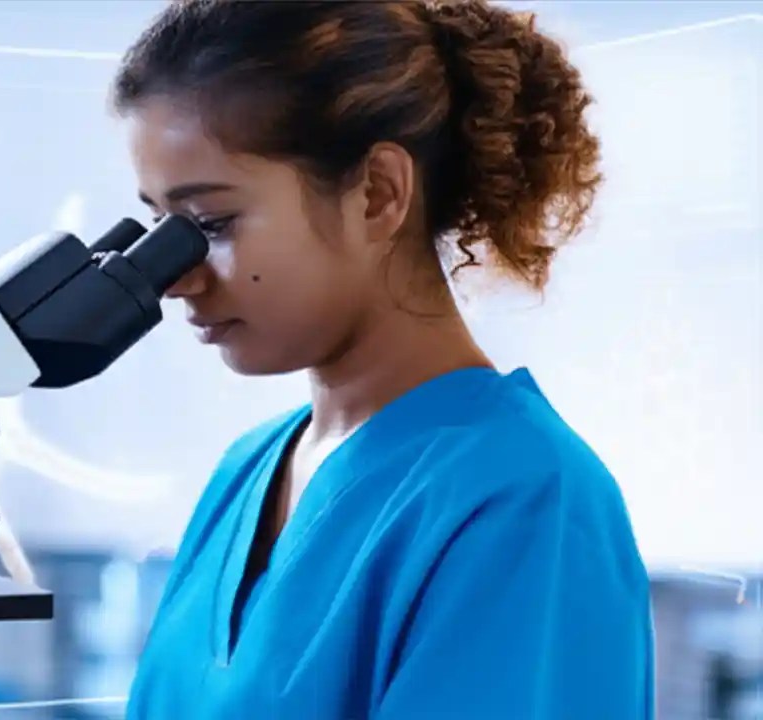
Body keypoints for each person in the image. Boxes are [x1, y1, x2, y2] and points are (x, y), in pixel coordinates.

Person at [110, 1, 654, 718]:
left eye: (210, 224)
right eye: (159, 227)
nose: (175, 278)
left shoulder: (522, 500)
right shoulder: (245, 470)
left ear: (378, 194)